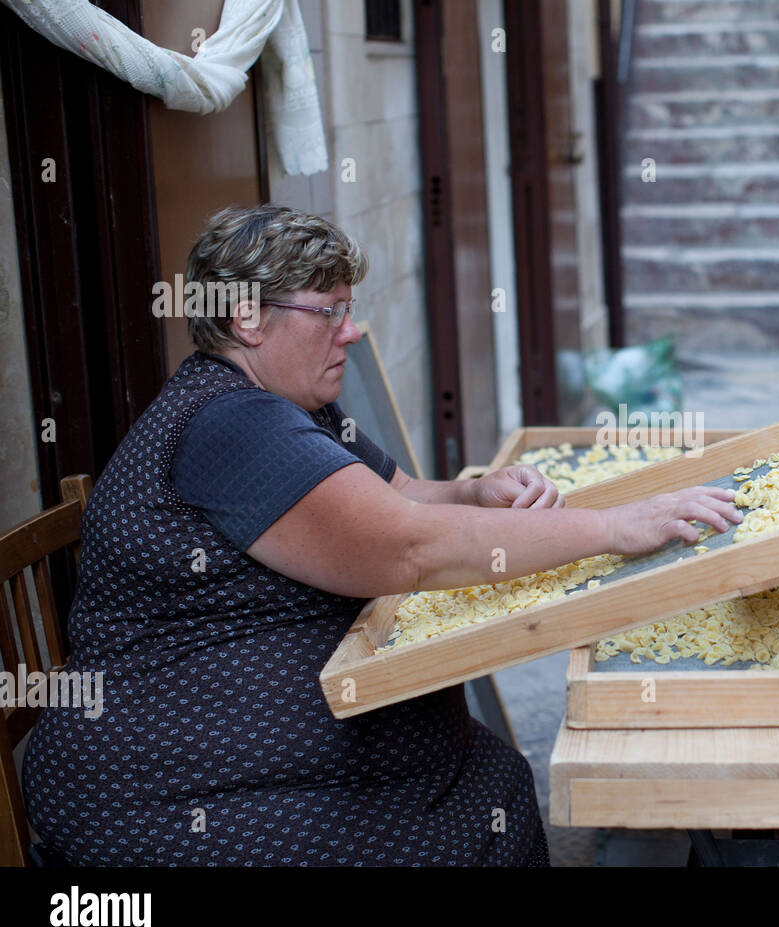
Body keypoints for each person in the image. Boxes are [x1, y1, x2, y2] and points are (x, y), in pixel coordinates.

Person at [20, 204, 740, 866]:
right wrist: (613, 527)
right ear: (247, 319)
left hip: (233, 762)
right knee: (471, 815)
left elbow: (396, 498)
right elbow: (408, 546)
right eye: (328, 312)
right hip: (163, 788)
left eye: (350, 310)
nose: (351, 332)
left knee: (489, 781)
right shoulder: (232, 423)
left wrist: (472, 490)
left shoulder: (288, 402)